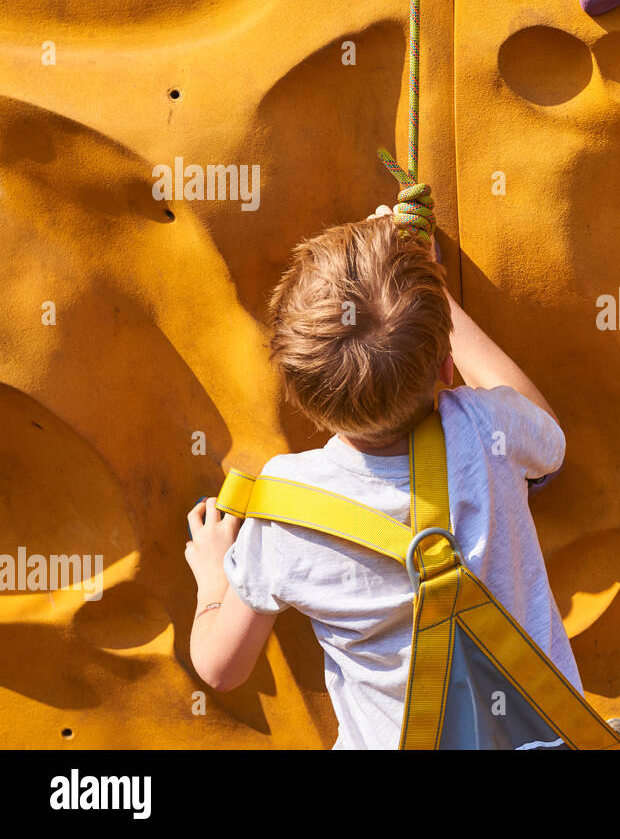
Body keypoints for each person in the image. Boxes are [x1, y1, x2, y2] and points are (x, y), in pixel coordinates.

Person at [184, 207, 579, 748]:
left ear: (303, 401)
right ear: (445, 367)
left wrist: (213, 581)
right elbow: (547, 438)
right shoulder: (488, 430)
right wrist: (439, 295)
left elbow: (219, 669)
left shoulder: (287, 510)